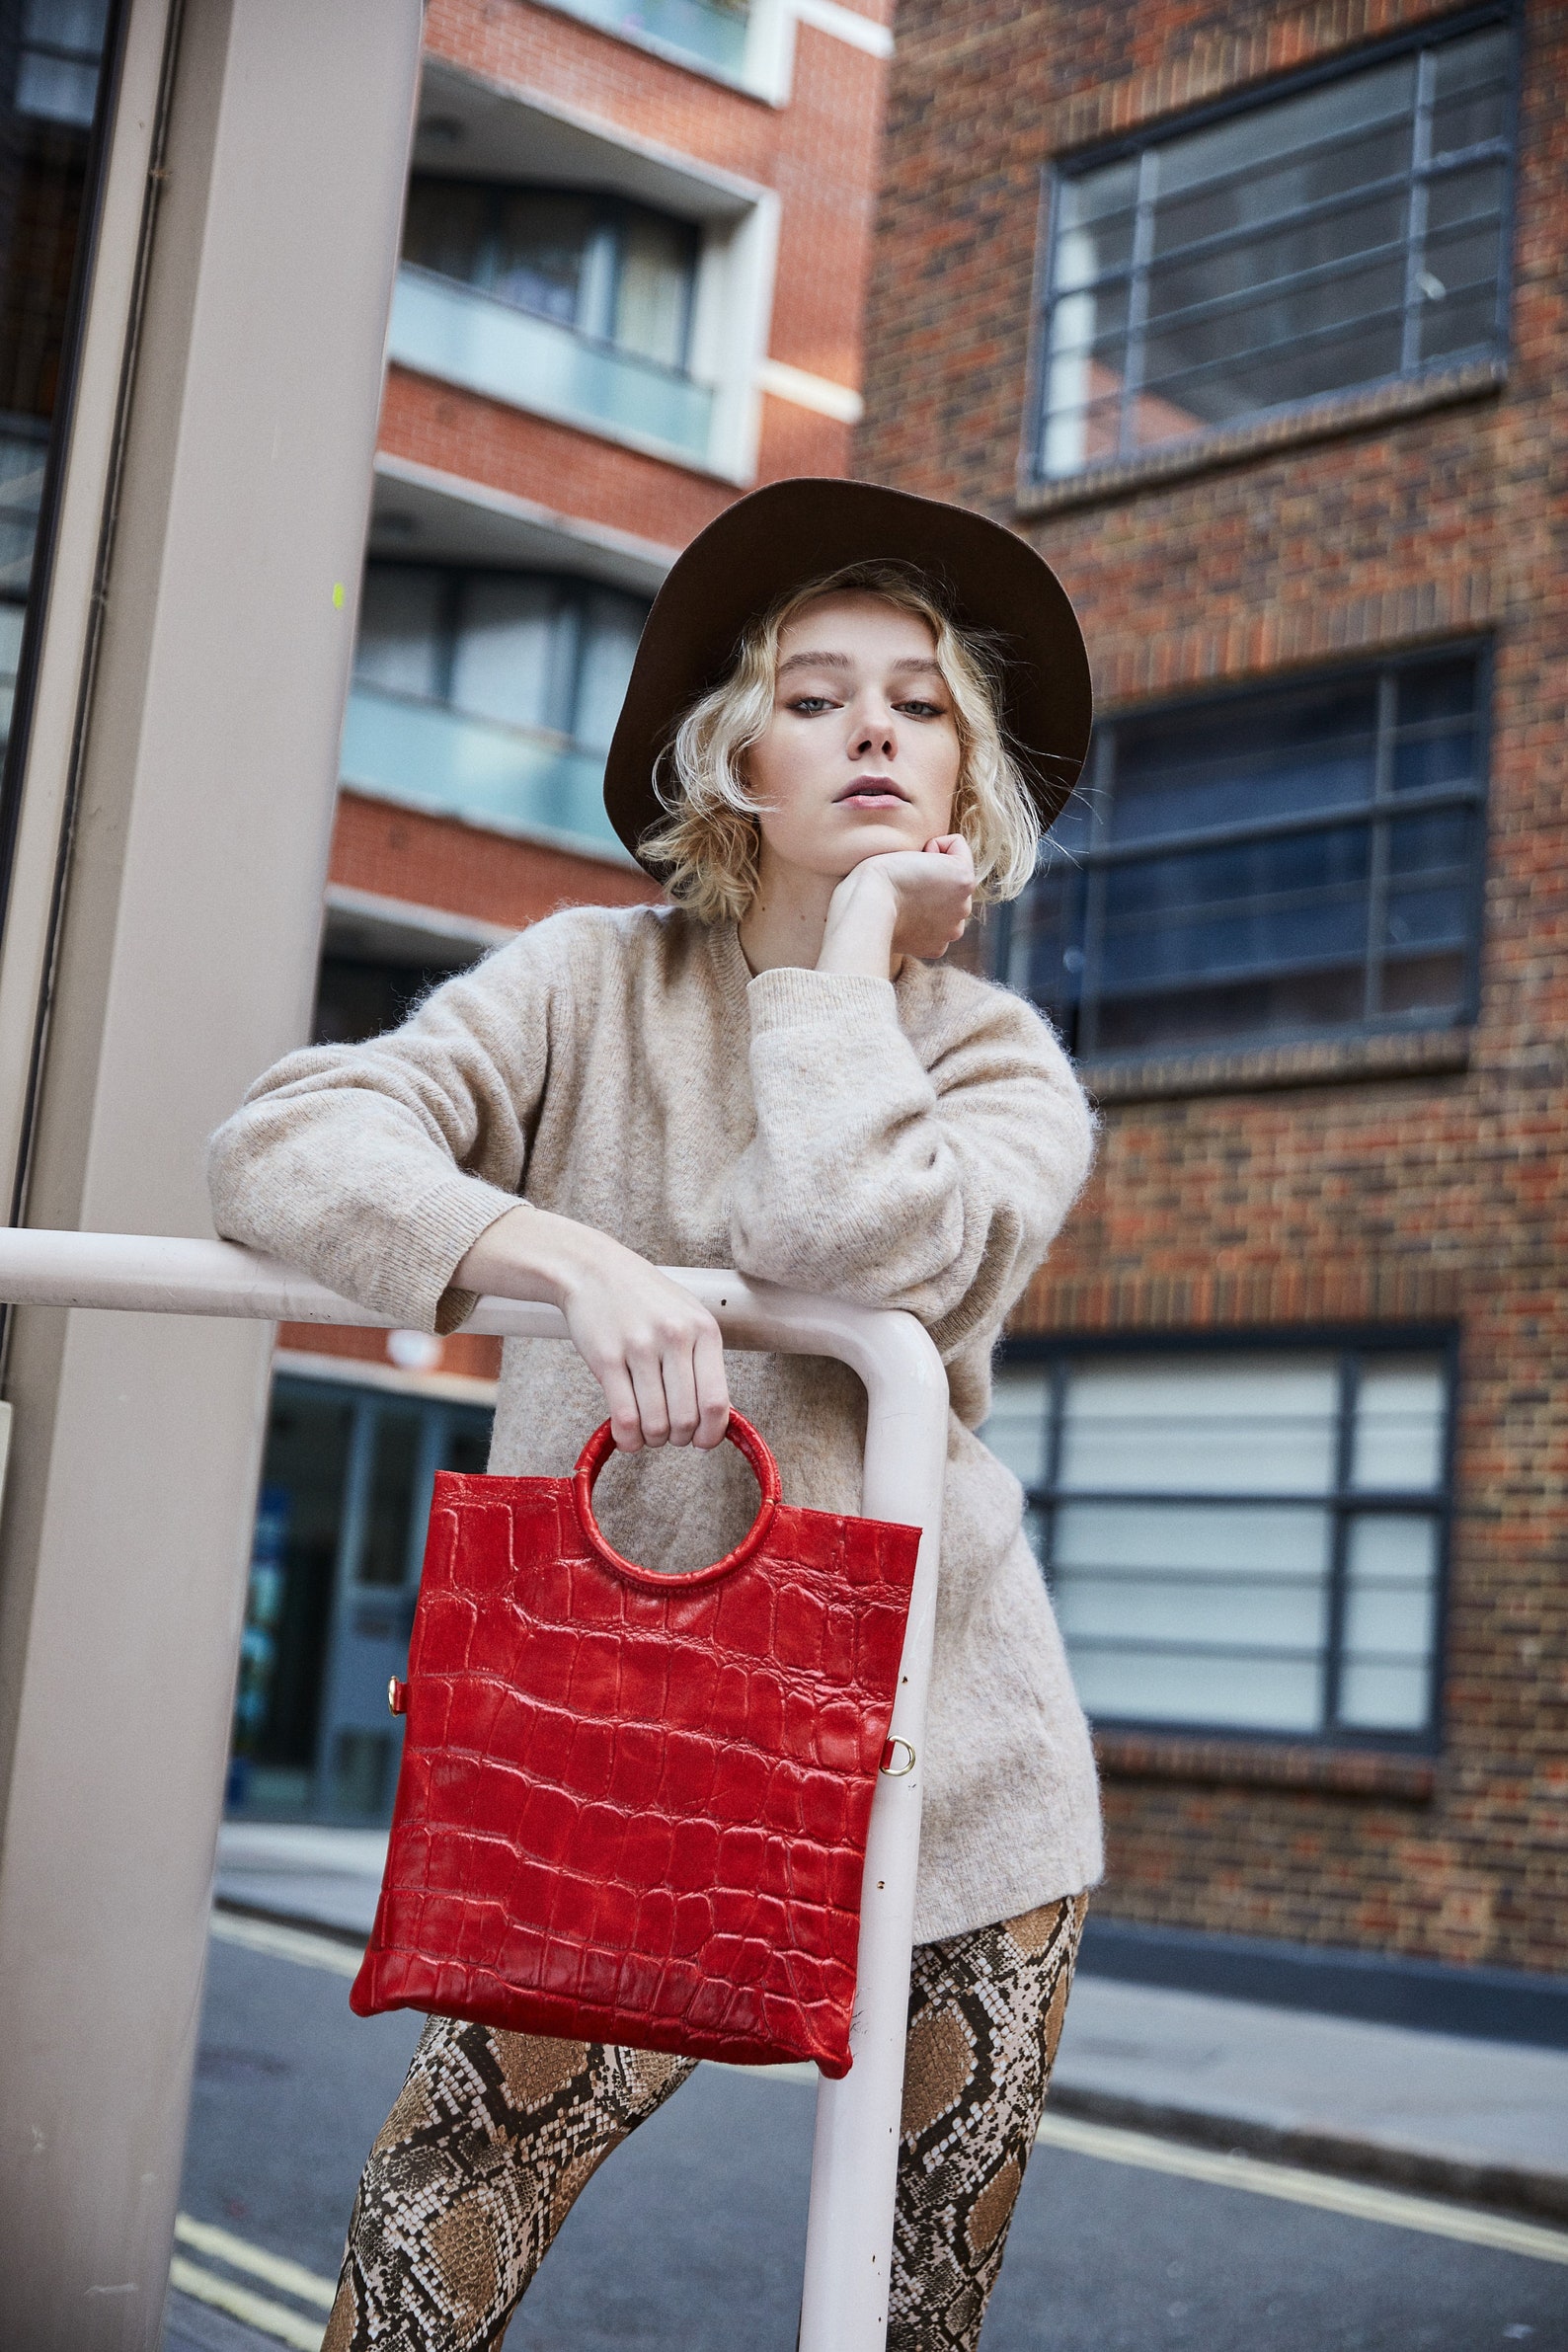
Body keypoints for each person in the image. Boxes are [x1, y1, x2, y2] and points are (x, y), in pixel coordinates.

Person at [208, 476, 1104, 2352]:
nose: (873, 725)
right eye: (814, 690)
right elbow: (282, 1146)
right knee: (432, 2246)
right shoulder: (583, 983)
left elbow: (841, 1234)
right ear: (731, 763)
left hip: (954, 1774)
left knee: (915, 2305)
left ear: (964, 788)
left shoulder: (1002, 1061)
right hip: (619, 1758)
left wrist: (846, 966)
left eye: (922, 702)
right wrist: (554, 1252)